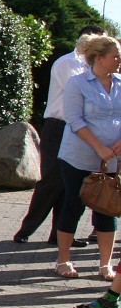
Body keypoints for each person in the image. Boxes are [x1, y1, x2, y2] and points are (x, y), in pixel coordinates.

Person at [14, 25, 107, 244]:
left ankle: (61, 233)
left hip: (80, 129)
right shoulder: (69, 63)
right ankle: (26, 230)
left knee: (73, 184)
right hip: (60, 126)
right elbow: (82, 93)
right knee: (53, 181)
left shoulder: (92, 67)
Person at [52, 33, 121, 280]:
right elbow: (74, 119)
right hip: (78, 156)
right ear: (99, 59)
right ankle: (63, 260)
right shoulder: (77, 83)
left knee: (108, 208)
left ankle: (105, 264)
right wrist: (98, 147)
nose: (119, 60)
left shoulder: (120, 83)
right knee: (74, 204)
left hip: (112, 159)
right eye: (115, 56)